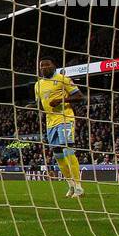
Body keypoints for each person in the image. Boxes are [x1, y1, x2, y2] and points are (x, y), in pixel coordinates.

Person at [34, 57, 86, 198]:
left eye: (47, 65)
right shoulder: (38, 85)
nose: (44, 67)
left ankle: (79, 187)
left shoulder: (63, 79)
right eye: (42, 66)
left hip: (65, 118)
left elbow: (80, 96)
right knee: (58, 155)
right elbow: (40, 104)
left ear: (54, 66)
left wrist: (60, 100)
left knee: (68, 150)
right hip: (50, 122)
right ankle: (71, 185)